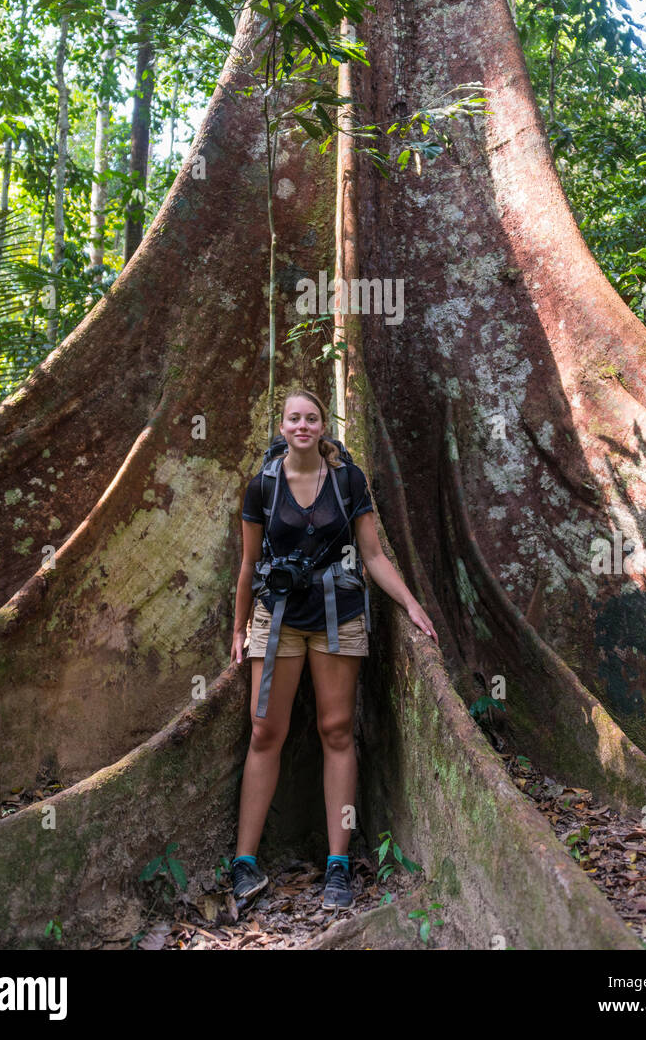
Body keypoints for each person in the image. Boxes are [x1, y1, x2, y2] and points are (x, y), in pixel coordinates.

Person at [229, 387, 438, 913]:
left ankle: (338, 865)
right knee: (264, 732)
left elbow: (373, 554)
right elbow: (249, 565)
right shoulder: (262, 487)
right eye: (293, 419)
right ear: (281, 427)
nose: (302, 426)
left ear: (324, 426)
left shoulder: (348, 480)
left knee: (337, 730)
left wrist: (411, 605)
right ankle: (245, 862)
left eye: (311, 418)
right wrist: (238, 630)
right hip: (276, 618)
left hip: (338, 616)